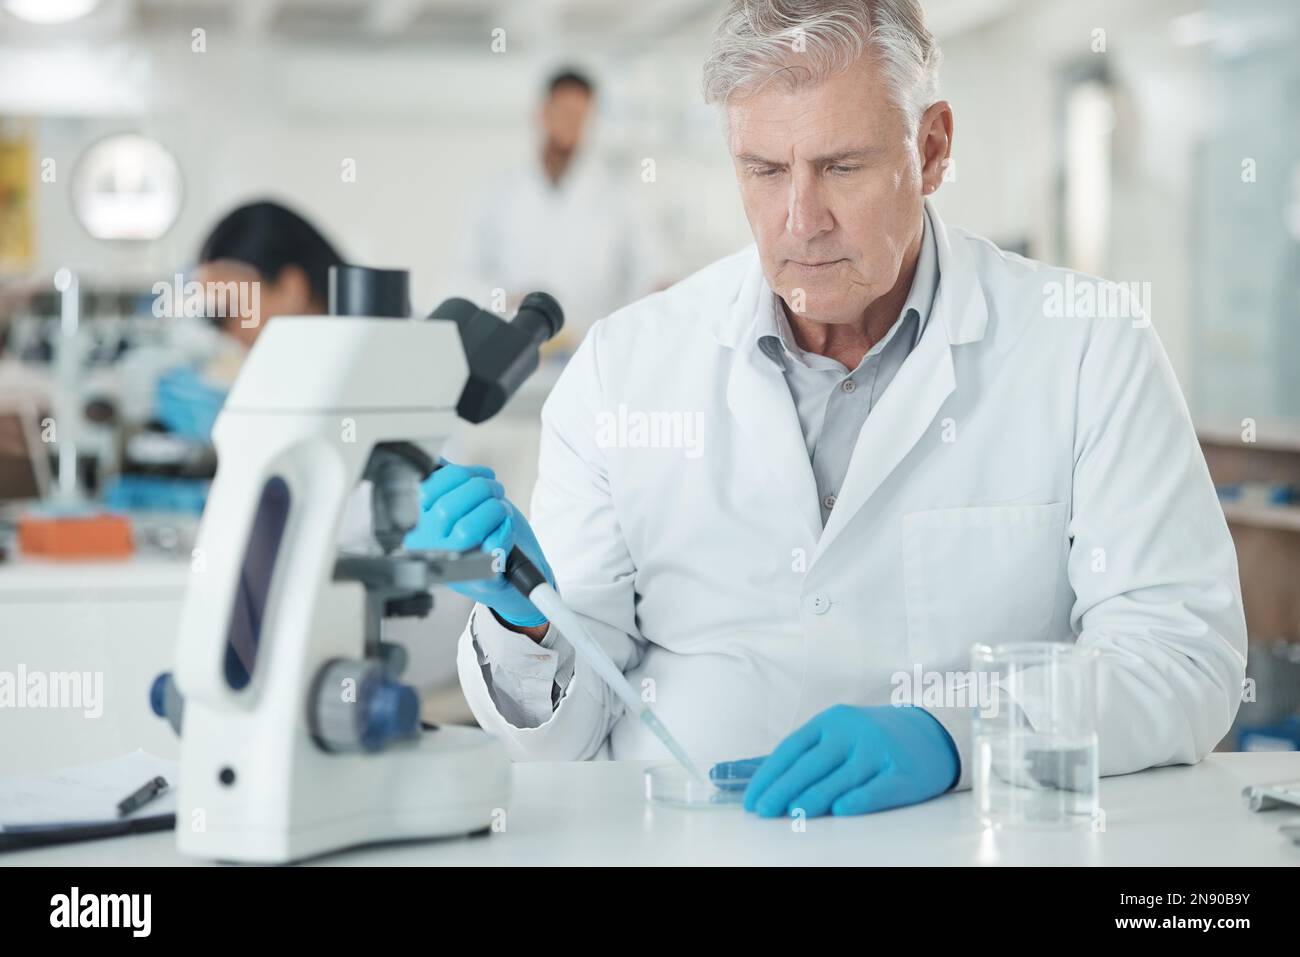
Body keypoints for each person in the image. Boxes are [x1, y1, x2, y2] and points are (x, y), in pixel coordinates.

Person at [405, 0, 1247, 819]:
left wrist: (958, 736)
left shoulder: (1086, 345)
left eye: (842, 166)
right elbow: (569, 730)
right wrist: (528, 623)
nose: (800, 221)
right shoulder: (626, 368)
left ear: (934, 146)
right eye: (764, 171)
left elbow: (1181, 657)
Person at [460, 68, 670, 351]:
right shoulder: (500, 194)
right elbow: (466, 273)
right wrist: (506, 300)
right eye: (565, 113)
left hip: (590, 349)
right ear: (542, 113)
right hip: (511, 346)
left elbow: (649, 267)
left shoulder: (618, 196)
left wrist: (661, 289)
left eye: (582, 116)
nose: (573, 125)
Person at [154, 200, 345, 439]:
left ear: (290, 289)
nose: (225, 331)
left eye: (227, 311)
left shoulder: (366, 374)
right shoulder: (300, 377)